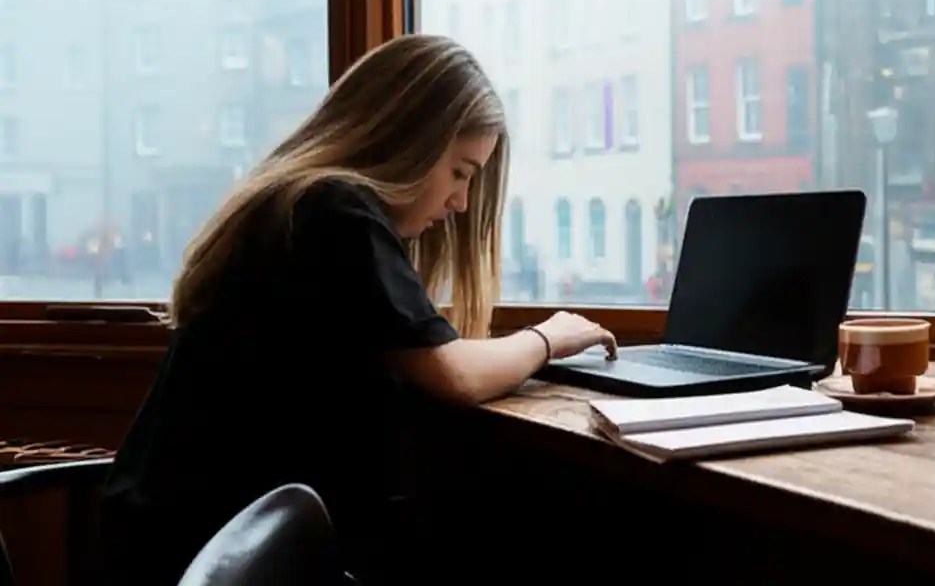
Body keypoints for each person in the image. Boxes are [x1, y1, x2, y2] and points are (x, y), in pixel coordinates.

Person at [99, 34, 618, 585]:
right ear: (408, 142)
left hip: (181, 537)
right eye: (460, 172)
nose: (462, 202)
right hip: (216, 554)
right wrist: (550, 337)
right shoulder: (338, 213)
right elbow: (452, 373)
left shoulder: (301, 203)